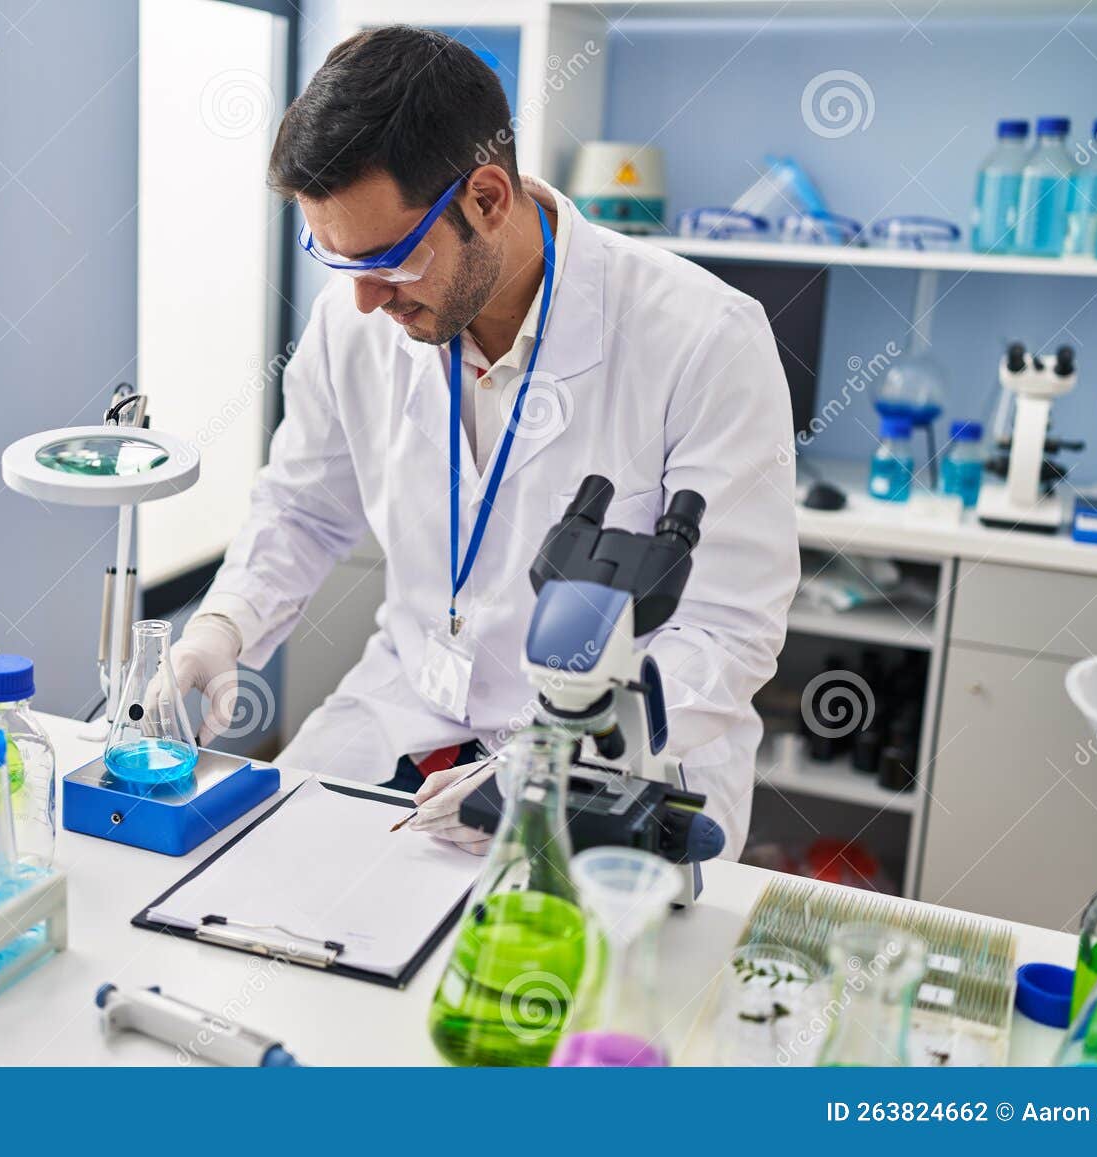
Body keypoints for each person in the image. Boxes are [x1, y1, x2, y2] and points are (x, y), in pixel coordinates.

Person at [168, 26, 798, 858]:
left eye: (391, 259)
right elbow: (303, 510)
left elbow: (726, 629)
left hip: (613, 746)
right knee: (278, 877)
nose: (364, 301)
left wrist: (545, 761)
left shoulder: (704, 337)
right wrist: (222, 628)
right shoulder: (353, 323)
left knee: (541, 968)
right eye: (337, 258)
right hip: (409, 704)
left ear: (489, 199)